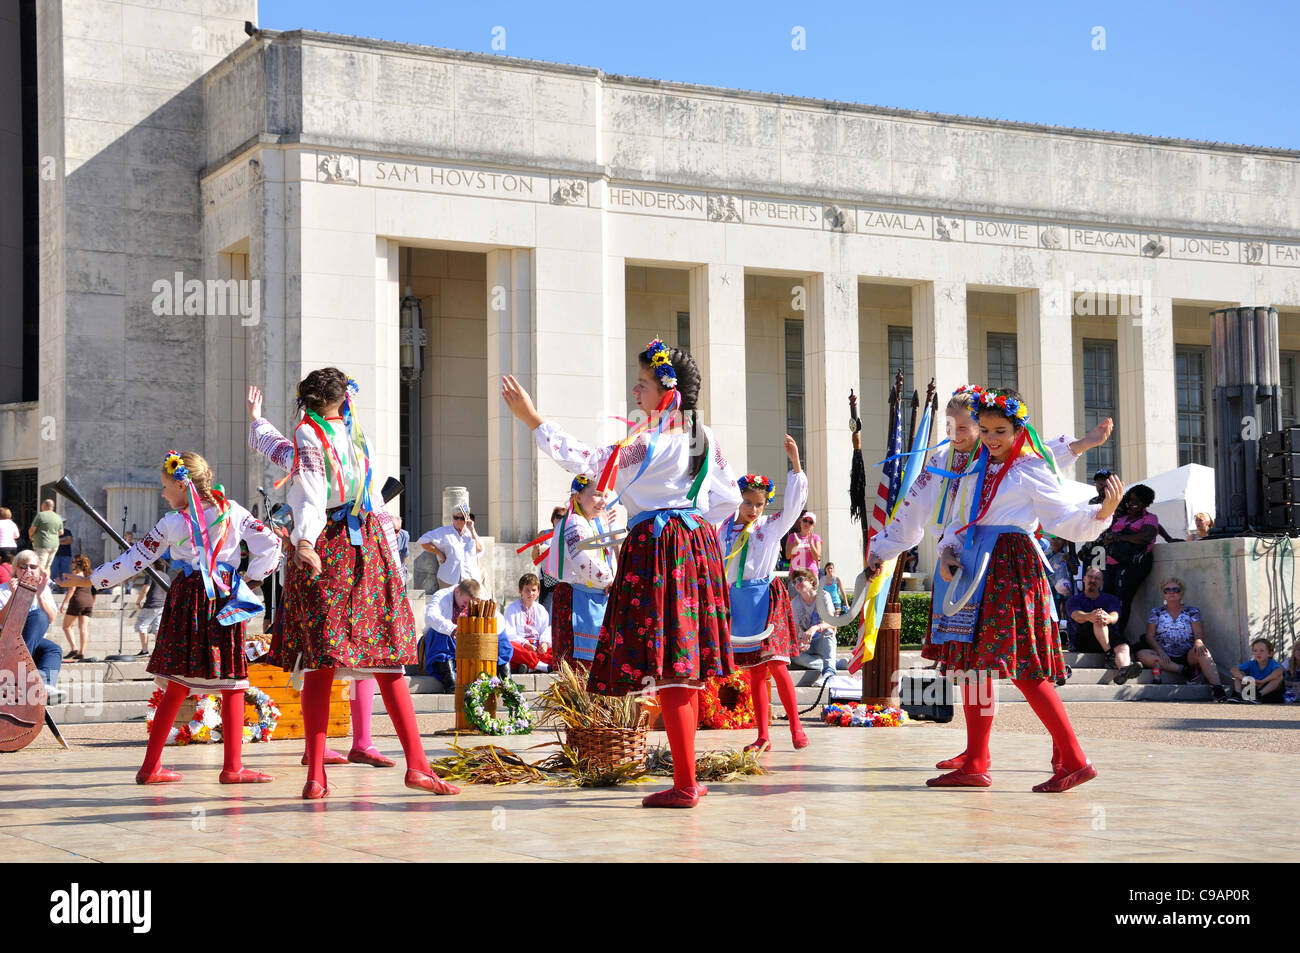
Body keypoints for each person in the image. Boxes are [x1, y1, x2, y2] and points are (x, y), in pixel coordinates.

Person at [502, 336, 741, 809]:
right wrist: (695, 529)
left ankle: (687, 783)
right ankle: (687, 775)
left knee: (672, 667)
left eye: (642, 385)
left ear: (665, 392)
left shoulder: (647, 444)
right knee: (685, 666)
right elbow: (730, 498)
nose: (636, 394)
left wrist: (532, 419)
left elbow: (590, 464)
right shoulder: (704, 438)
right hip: (696, 550)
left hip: (657, 548)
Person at [883, 386, 1124, 793]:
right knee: (975, 668)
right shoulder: (982, 464)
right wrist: (949, 550)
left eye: (1000, 431)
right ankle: (976, 760)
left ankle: (1074, 758)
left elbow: (1062, 519)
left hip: (1010, 566)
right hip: (977, 563)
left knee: (1028, 668)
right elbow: (965, 515)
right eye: (985, 429)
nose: (991, 438)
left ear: (1018, 429)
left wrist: (1102, 512)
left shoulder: (1029, 469)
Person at [276, 369, 458, 798]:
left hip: (358, 544)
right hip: (334, 545)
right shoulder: (309, 435)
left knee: (365, 658)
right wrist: (305, 539)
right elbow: (312, 492)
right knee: (354, 658)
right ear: (341, 398)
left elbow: (366, 496)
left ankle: (323, 775)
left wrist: (388, 551)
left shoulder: (353, 434)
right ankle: (339, 772)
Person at [76, 449, 281, 784]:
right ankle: (232, 768)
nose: (163, 492)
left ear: (183, 487)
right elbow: (271, 544)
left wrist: (92, 580)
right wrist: (249, 580)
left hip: (187, 598)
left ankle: (151, 766)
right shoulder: (234, 511)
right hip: (225, 597)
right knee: (231, 683)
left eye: (166, 486)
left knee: (178, 684)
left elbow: (133, 560)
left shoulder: (172, 523)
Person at [246, 383, 402, 769]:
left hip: (344, 546)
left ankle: (360, 741)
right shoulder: (318, 442)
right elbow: (287, 457)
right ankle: (318, 751)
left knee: (357, 646)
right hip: (327, 546)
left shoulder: (353, 443)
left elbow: (280, 450)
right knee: (321, 652)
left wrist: (256, 422)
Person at [721, 435, 809, 752]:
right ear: (738, 500)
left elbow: (796, 505)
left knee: (777, 663)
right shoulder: (724, 529)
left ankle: (797, 728)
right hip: (738, 601)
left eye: (759, 503)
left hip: (766, 597)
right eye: (748, 503)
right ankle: (763, 735)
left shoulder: (770, 526)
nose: (754, 509)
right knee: (756, 672)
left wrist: (795, 463)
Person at [545, 475, 618, 670]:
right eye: (596, 495)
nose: (602, 500)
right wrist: (611, 581)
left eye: (605, 495)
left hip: (590, 597)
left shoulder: (589, 522)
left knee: (593, 663)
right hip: (576, 599)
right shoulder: (574, 524)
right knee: (579, 666)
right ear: (577, 497)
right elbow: (585, 563)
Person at [1135, 576, 1227, 702]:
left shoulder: (1192, 611)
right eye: (1167, 590)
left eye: (1175, 589)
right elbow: (1149, 636)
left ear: (1181, 592)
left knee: (1204, 652)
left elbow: (1198, 633)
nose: (1171, 592)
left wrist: (1198, 642)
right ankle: (1185, 671)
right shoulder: (1156, 612)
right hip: (1164, 655)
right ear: (1163, 593)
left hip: (1187, 654)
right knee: (1142, 654)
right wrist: (1160, 651)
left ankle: (1217, 689)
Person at [0, 552, 65, 700]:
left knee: (53, 649)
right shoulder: (3, 589)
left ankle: (45, 685)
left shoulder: (44, 589)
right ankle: (18, 672)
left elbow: (51, 618)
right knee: (37, 616)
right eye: (23, 566)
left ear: (39, 570)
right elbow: (1, 621)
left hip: (30, 642)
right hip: (6, 640)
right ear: (15, 569)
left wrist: (40, 595)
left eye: (33, 567)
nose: (28, 570)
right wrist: (12, 595)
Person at [1101, 484, 1159, 644]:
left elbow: (1145, 537)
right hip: (1113, 563)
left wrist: (1119, 537)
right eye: (1131, 500)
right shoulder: (1123, 519)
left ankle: (1117, 636)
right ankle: (1106, 636)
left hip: (1134, 565)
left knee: (1122, 599)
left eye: (1138, 500)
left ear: (1146, 502)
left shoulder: (1150, 518)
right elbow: (1109, 536)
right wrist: (1109, 539)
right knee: (1108, 598)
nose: (1133, 503)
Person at [422, 577, 505, 688]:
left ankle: (505, 679)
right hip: (438, 645)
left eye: (469, 604)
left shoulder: (479, 598)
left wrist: (486, 634)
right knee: (439, 633)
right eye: (465, 602)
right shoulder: (441, 596)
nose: (466, 607)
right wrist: (453, 629)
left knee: (501, 636)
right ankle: (450, 681)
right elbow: (431, 617)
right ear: (457, 591)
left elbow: (498, 619)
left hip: (466, 646)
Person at [1065, 567, 1142, 683]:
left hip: (1108, 635)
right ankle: (1110, 654)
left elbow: (1115, 614)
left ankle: (1123, 670)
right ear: (1084, 579)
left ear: (1101, 583)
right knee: (1097, 618)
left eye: (1097, 578)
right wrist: (1089, 616)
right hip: (1085, 640)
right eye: (1090, 577)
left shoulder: (1111, 599)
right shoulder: (1074, 600)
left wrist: (1109, 618)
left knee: (1124, 647)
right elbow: (1076, 615)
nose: (1093, 580)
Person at [789, 569, 846, 686]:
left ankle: (829, 674)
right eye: (794, 582)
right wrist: (797, 643)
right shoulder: (794, 603)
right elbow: (793, 631)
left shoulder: (824, 596)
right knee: (792, 653)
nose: (797, 583)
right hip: (806, 645)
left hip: (822, 641)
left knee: (829, 631)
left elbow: (832, 622)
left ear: (811, 581)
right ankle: (832, 663)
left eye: (800, 579)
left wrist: (815, 628)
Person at [418, 505, 484, 589]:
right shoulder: (443, 532)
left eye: (462, 518)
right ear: (452, 518)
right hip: (449, 578)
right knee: (449, 601)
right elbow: (423, 541)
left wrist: (472, 529)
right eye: (456, 517)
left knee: (469, 602)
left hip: (469, 578)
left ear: (467, 518)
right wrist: (439, 553)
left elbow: (479, 549)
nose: (459, 521)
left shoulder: (470, 533)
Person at [503, 573, 553, 673]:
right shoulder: (512, 609)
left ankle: (529, 667)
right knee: (507, 647)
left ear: (538, 592)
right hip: (521, 646)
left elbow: (546, 630)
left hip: (537, 647)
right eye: (527, 590)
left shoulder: (541, 610)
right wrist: (525, 644)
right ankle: (539, 665)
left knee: (557, 649)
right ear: (520, 591)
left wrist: (544, 644)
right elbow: (509, 634)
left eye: (534, 590)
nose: (531, 593)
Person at [58, 554, 96, 661]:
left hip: (77, 600)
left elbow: (71, 590)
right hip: (89, 601)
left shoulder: (76, 574)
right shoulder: (89, 574)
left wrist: (64, 603)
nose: (72, 564)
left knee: (66, 626)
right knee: (83, 628)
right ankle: (81, 652)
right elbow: (94, 591)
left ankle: (74, 648)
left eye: (73, 562)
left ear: (76, 563)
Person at [1229, 638, 1285, 704]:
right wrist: (1244, 678)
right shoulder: (1251, 663)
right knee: (1240, 673)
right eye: (1255, 651)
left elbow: (1279, 671)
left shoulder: (1272, 663)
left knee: (1279, 677)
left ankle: (1258, 696)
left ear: (1270, 654)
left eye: (1261, 651)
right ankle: (1238, 694)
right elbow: (1233, 669)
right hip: (1252, 689)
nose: (1258, 653)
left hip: (1268, 692)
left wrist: (1262, 681)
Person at [133, 561, 171, 657]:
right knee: (157, 628)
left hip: (152, 604)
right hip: (162, 604)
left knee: (142, 625)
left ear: (153, 565)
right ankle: (159, 651)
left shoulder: (151, 574)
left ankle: (144, 650)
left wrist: (138, 601)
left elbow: (145, 590)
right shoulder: (166, 576)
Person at [536, 506, 566, 612]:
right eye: (558, 516)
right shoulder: (544, 534)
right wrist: (537, 548)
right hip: (546, 578)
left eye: (564, 517)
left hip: (563, 578)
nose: (560, 519)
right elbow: (535, 559)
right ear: (553, 518)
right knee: (544, 610)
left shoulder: (567, 534)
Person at [784, 512, 821, 581]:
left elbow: (817, 558)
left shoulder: (816, 538)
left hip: (811, 576)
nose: (807, 523)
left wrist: (811, 543)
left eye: (810, 522)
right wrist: (795, 544)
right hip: (795, 575)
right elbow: (788, 556)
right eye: (805, 520)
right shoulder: (792, 537)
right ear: (800, 521)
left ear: (813, 525)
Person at [29, 500, 63, 574]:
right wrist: (52, 535)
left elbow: (32, 529)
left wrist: (30, 536)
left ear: (44, 505)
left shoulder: (40, 515)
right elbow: (61, 532)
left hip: (42, 544)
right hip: (54, 545)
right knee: (48, 566)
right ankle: (47, 583)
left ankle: (41, 584)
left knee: (40, 566)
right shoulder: (58, 517)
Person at [52, 526, 74, 590]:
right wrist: (64, 539)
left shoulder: (67, 531)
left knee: (65, 573)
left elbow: (69, 541)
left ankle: (64, 589)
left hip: (66, 555)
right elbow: (51, 542)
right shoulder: (53, 532)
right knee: (53, 573)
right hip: (54, 555)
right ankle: (54, 589)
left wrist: (57, 541)